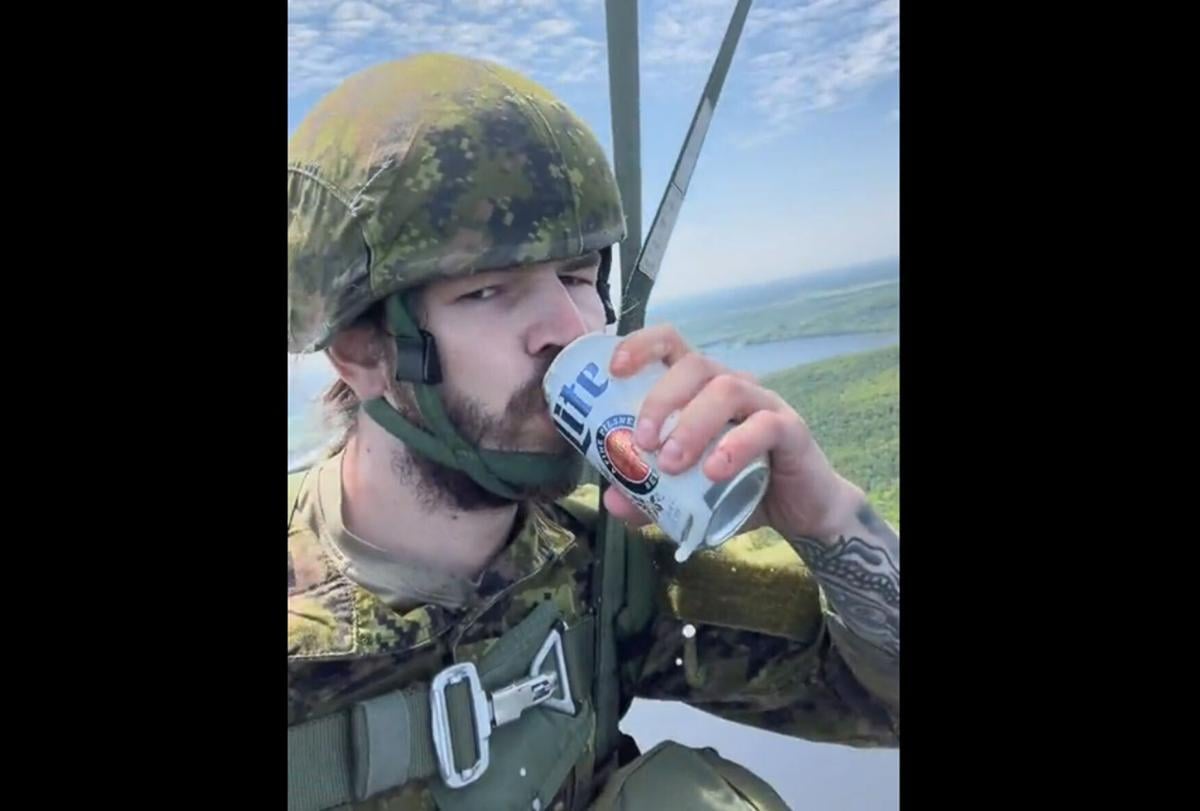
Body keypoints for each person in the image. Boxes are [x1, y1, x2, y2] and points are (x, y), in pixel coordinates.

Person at [287, 53, 899, 811]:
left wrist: (829, 520)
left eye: (578, 276)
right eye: (488, 290)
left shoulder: (606, 573)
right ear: (361, 351)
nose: (572, 327)